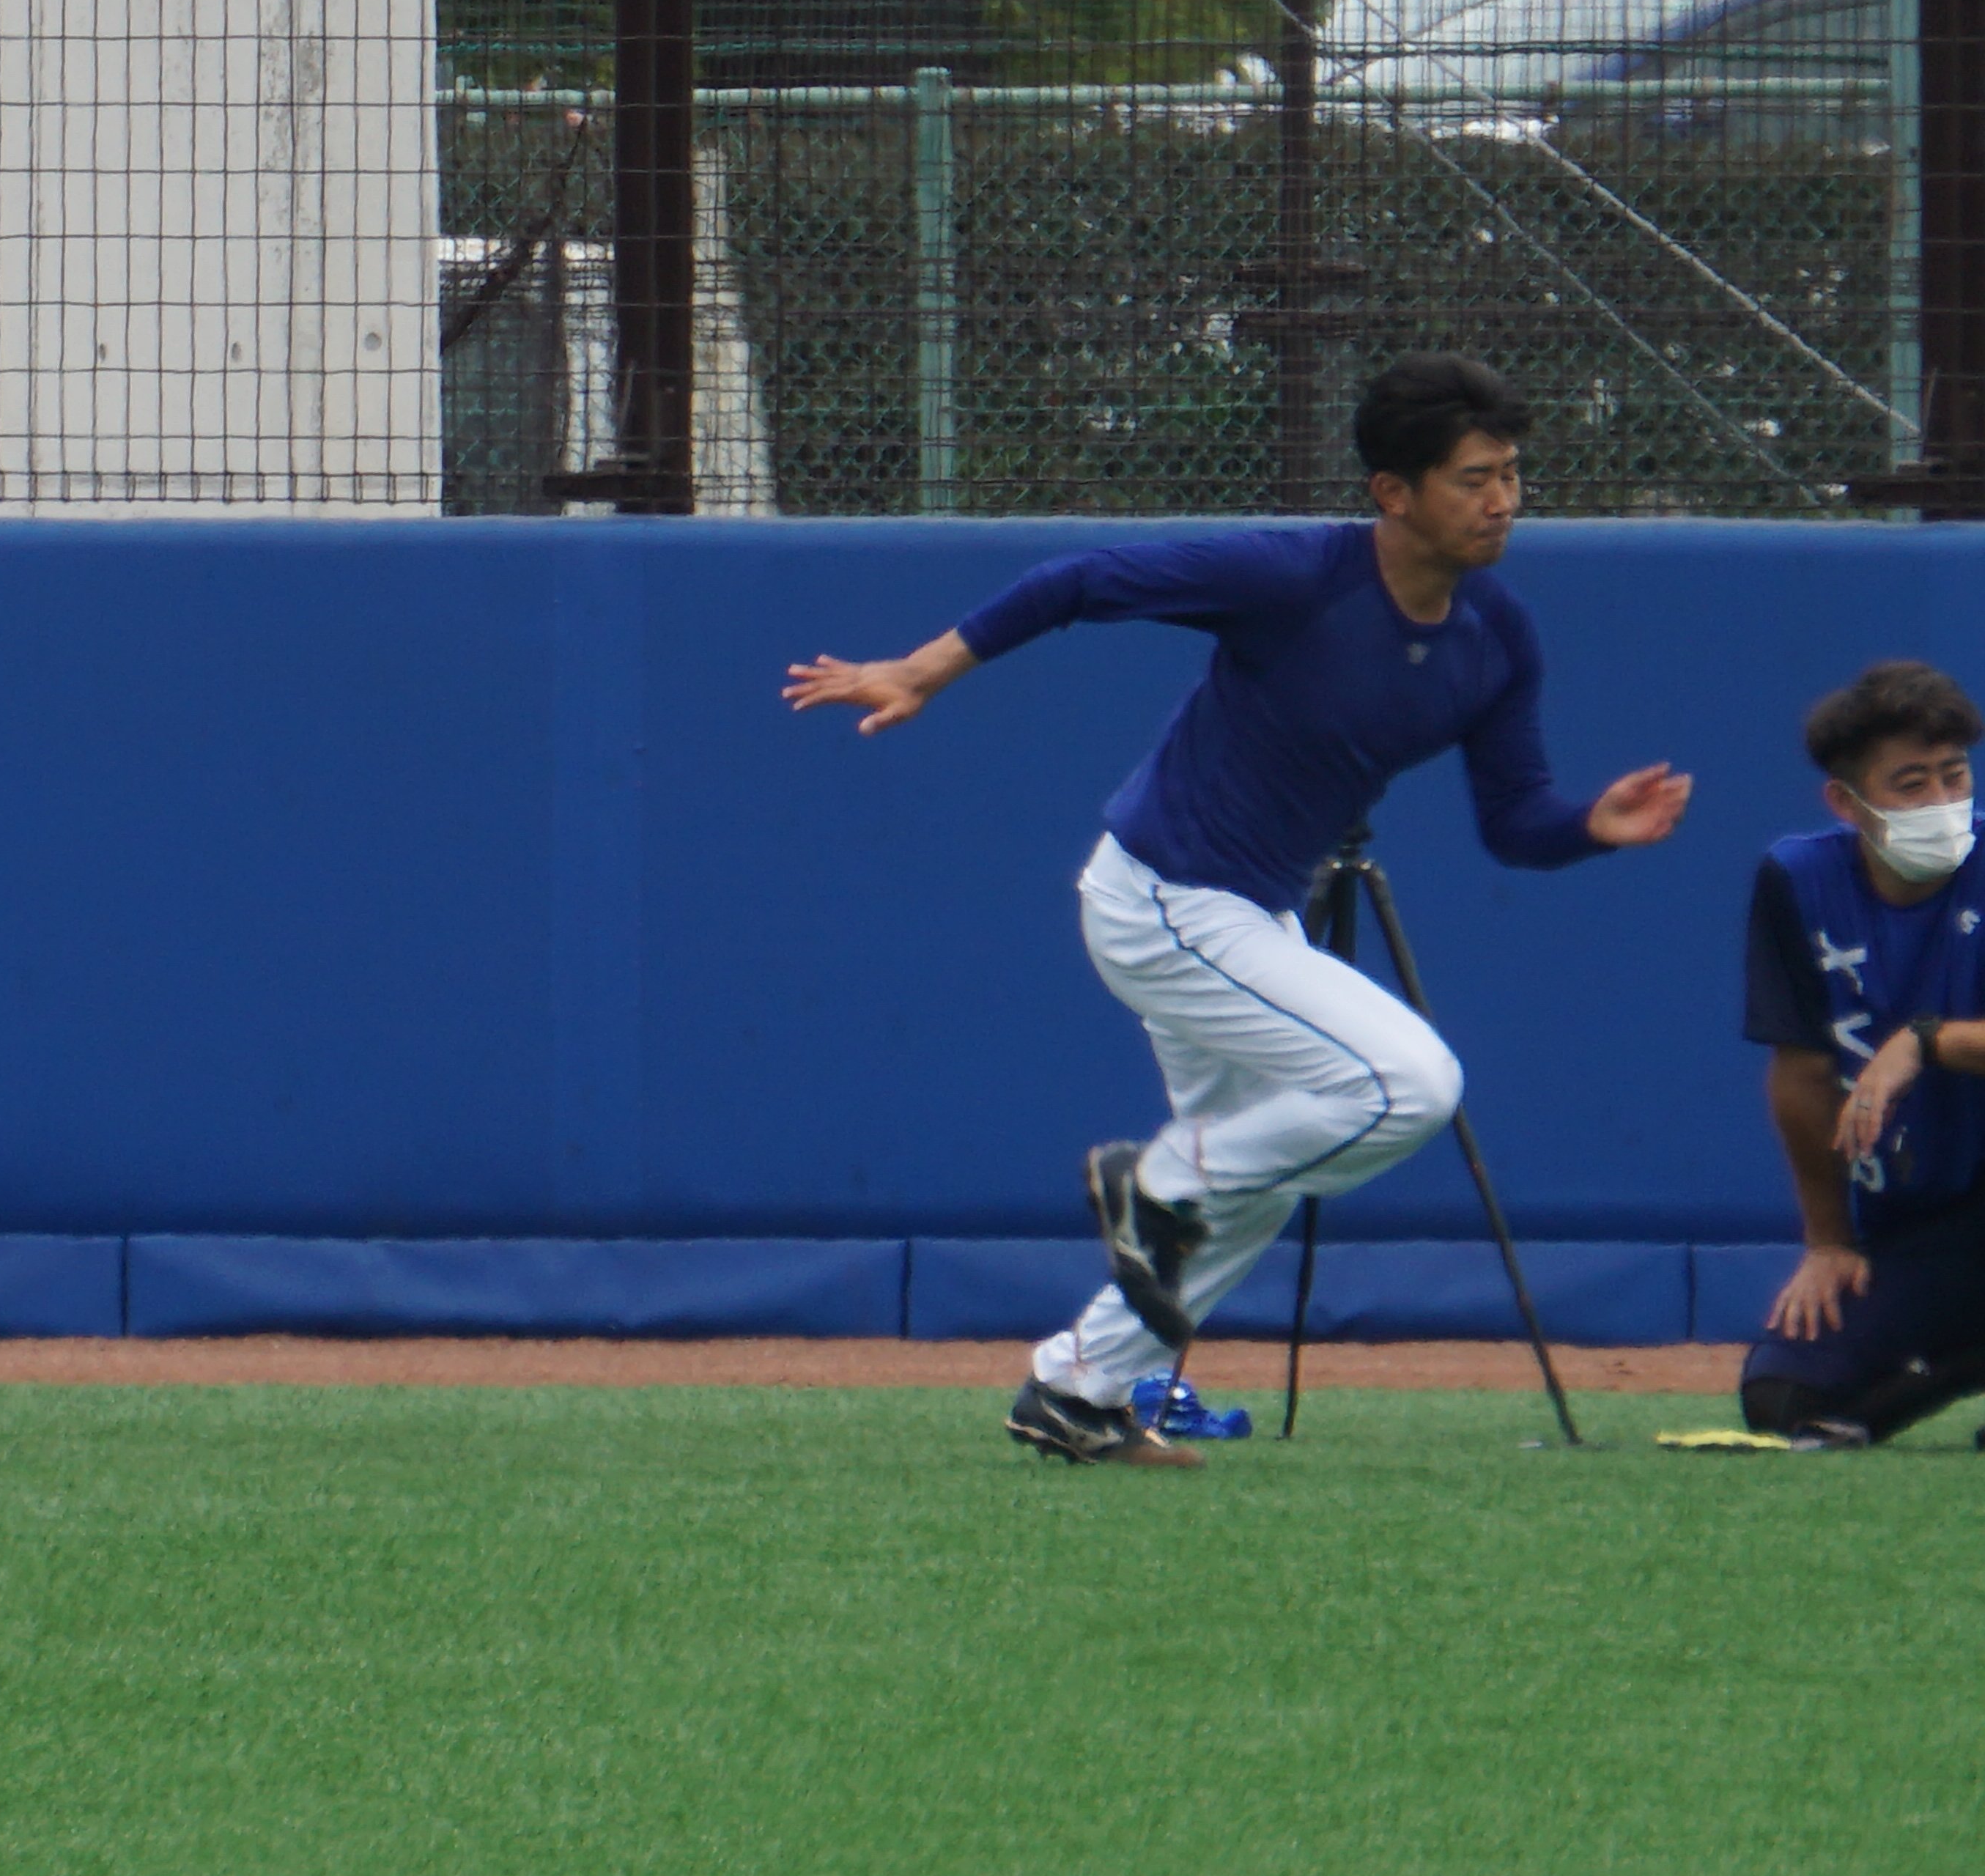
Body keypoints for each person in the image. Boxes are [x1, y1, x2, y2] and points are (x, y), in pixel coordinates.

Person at [784, 354, 1690, 1466]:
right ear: (1392, 493)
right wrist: (922, 671)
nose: (1502, 499)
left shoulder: (1496, 636)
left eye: (1509, 474)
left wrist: (1589, 826)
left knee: (1258, 1180)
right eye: (1472, 478)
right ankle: (1157, 1181)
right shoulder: (1293, 577)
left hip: (1249, 919)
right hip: (1164, 898)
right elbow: (1080, 580)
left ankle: (1081, 1389)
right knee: (1408, 1083)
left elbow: (1514, 819)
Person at [1738, 660, 1985, 1446]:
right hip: (1925, 1225)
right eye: (1911, 785)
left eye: (1955, 775)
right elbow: (1801, 1071)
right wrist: (1828, 1240)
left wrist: (1925, 1041)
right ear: (1845, 803)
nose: (1944, 803)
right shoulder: (1796, 877)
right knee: (1782, 1393)